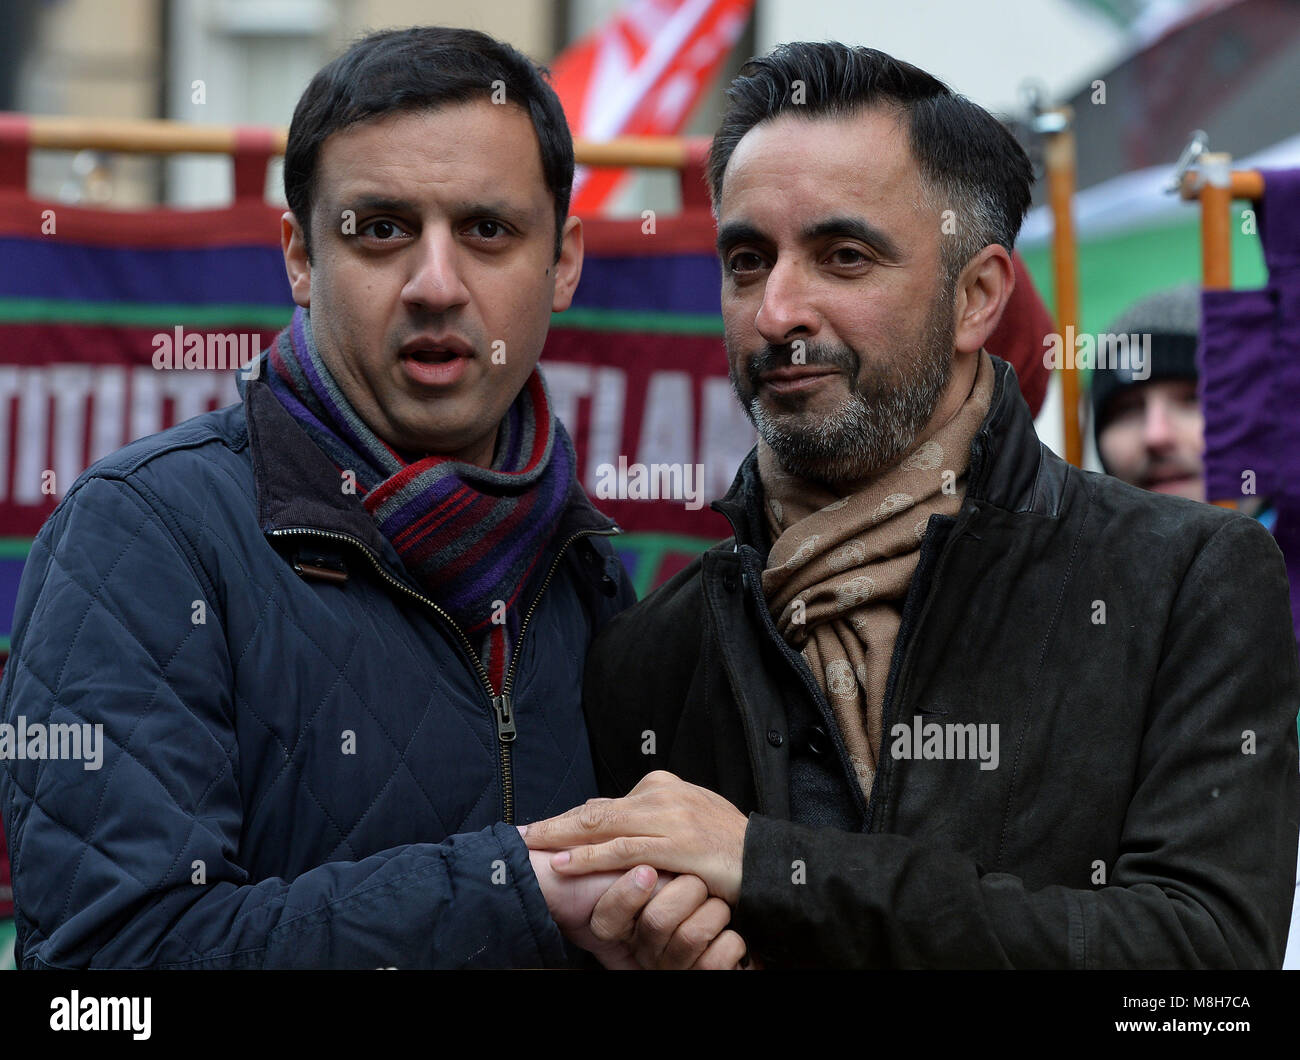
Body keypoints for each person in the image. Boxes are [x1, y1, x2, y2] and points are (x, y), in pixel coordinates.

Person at [522, 41, 1300, 968]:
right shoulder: (648, 656)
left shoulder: (1184, 582)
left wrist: (769, 868)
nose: (777, 312)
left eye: (843, 256)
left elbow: (1200, 981)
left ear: (977, 297)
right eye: (745, 259)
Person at [0, 26, 737, 970]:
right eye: (382, 229)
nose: (437, 285)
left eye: (487, 231)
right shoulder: (140, 539)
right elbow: (107, 980)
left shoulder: (583, 569)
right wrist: (514, 890)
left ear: (564, 263)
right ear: (300, 258)